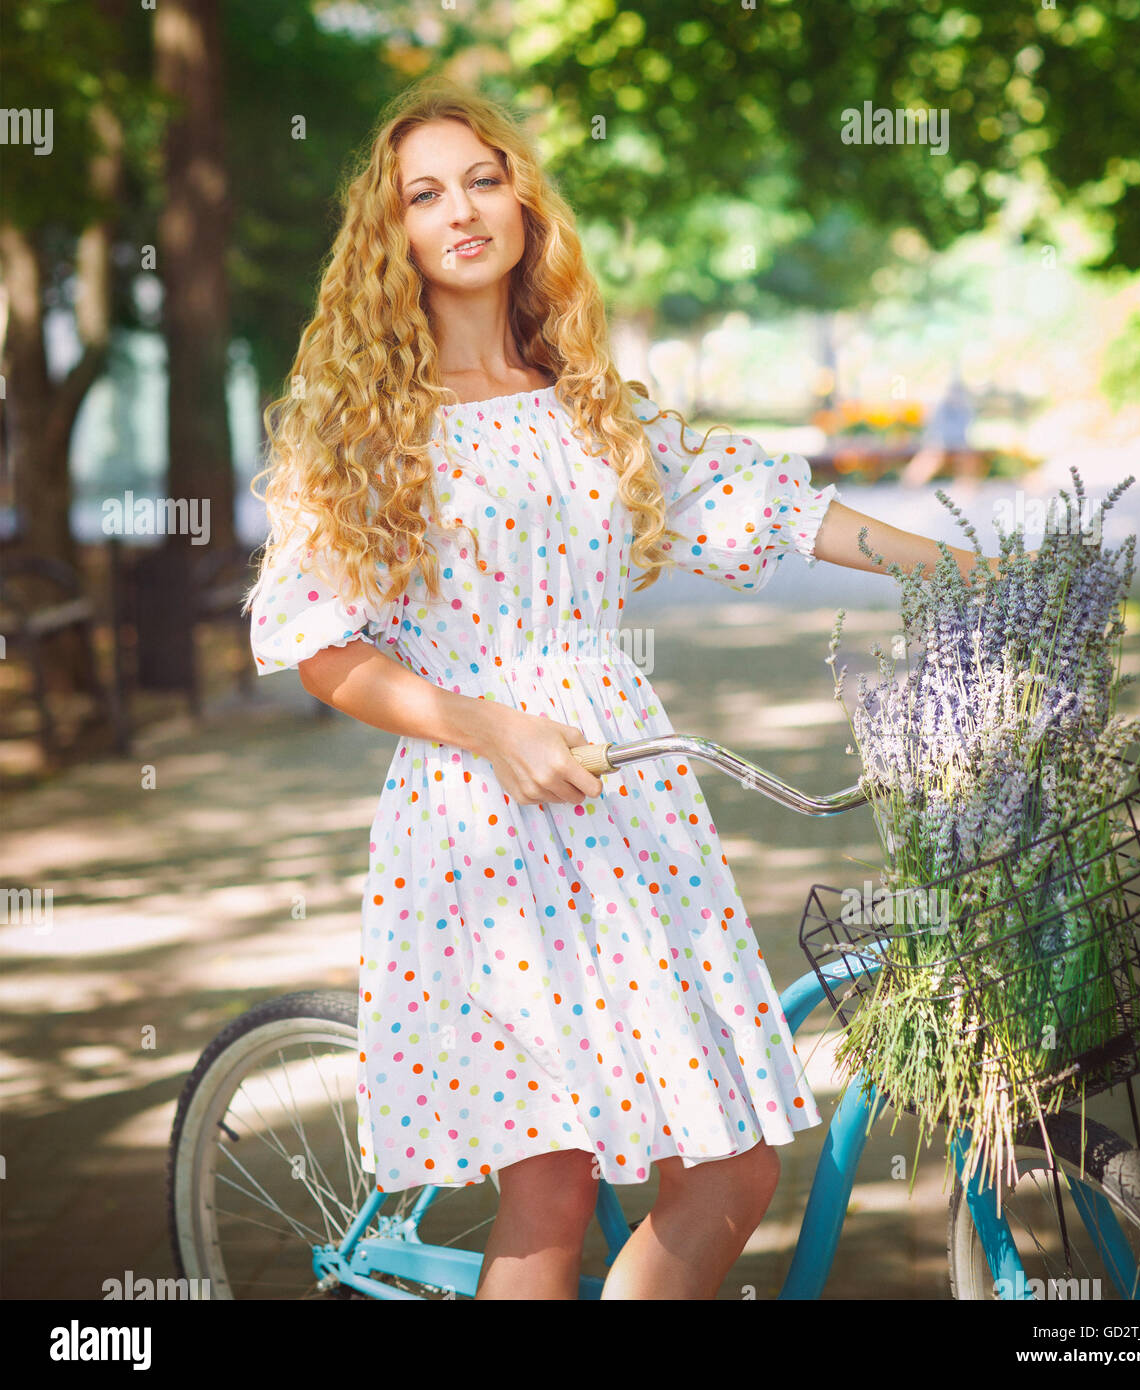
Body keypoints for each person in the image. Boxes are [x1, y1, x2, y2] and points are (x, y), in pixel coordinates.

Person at [244, 78, 997, 1301]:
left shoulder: (591, 403)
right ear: (394, 237)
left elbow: (775, 509)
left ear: (525, 203)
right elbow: (320, 644)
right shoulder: (362, 426)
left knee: (732, 1165)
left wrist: (967, 569)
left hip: (633, 803)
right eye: (424, 195)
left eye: (483, 179)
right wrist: (486, 724)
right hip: (479, 810)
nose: (461, 210)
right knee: (552, 1187)